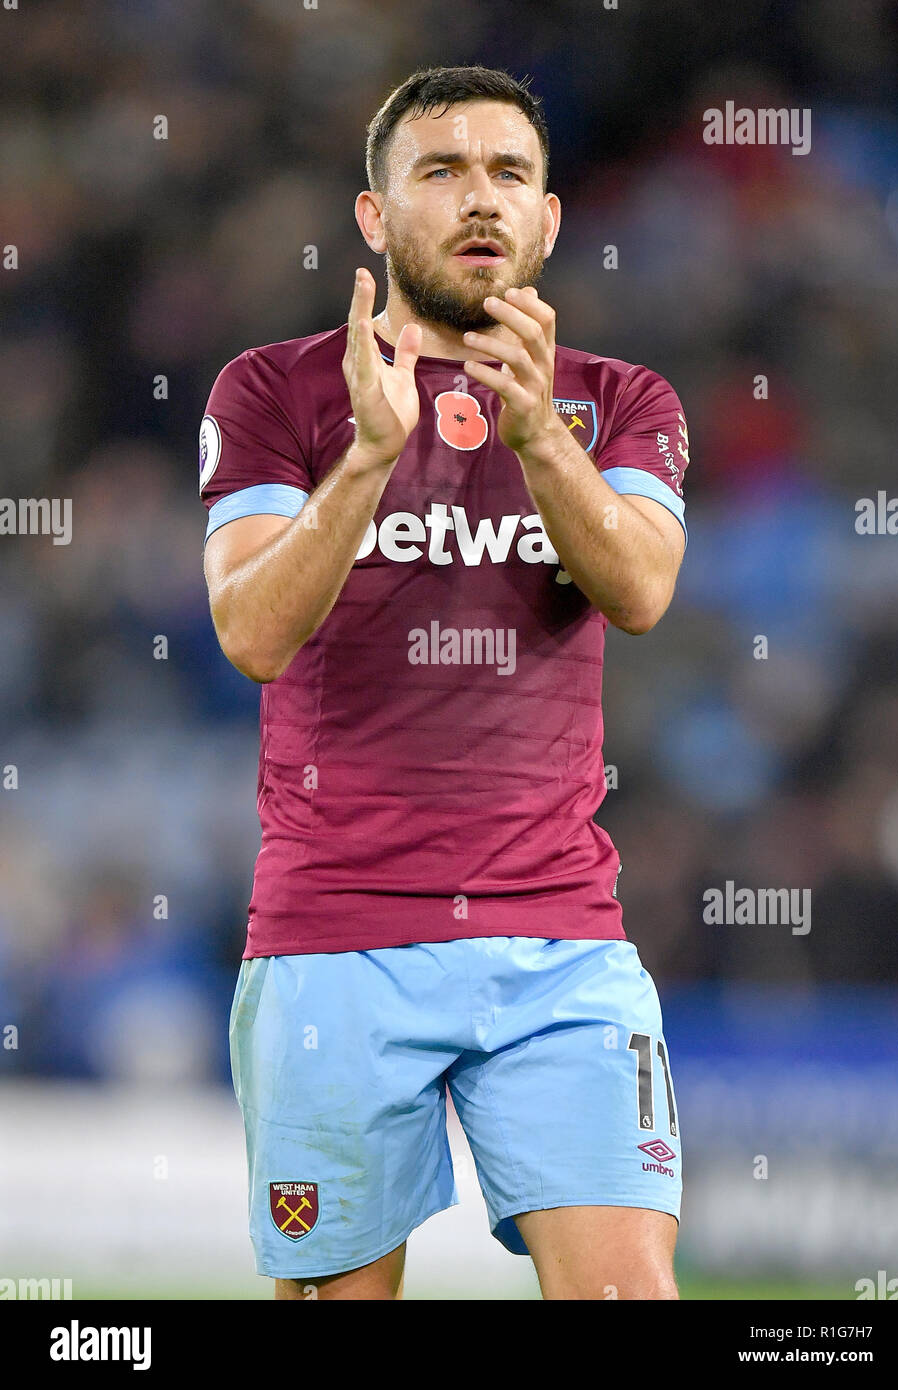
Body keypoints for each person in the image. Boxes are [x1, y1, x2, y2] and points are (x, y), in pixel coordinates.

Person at [200, 65, 689, 1300]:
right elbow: (250, 632)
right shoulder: (276, 390)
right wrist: (368, 456)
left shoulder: (619, 402)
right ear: (374, 217)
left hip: (559, 941)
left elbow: (636, 590)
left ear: (548, 218)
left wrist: (534, 440)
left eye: (507, 174)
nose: (479, 198)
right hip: (334, 939)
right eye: (441, 170)